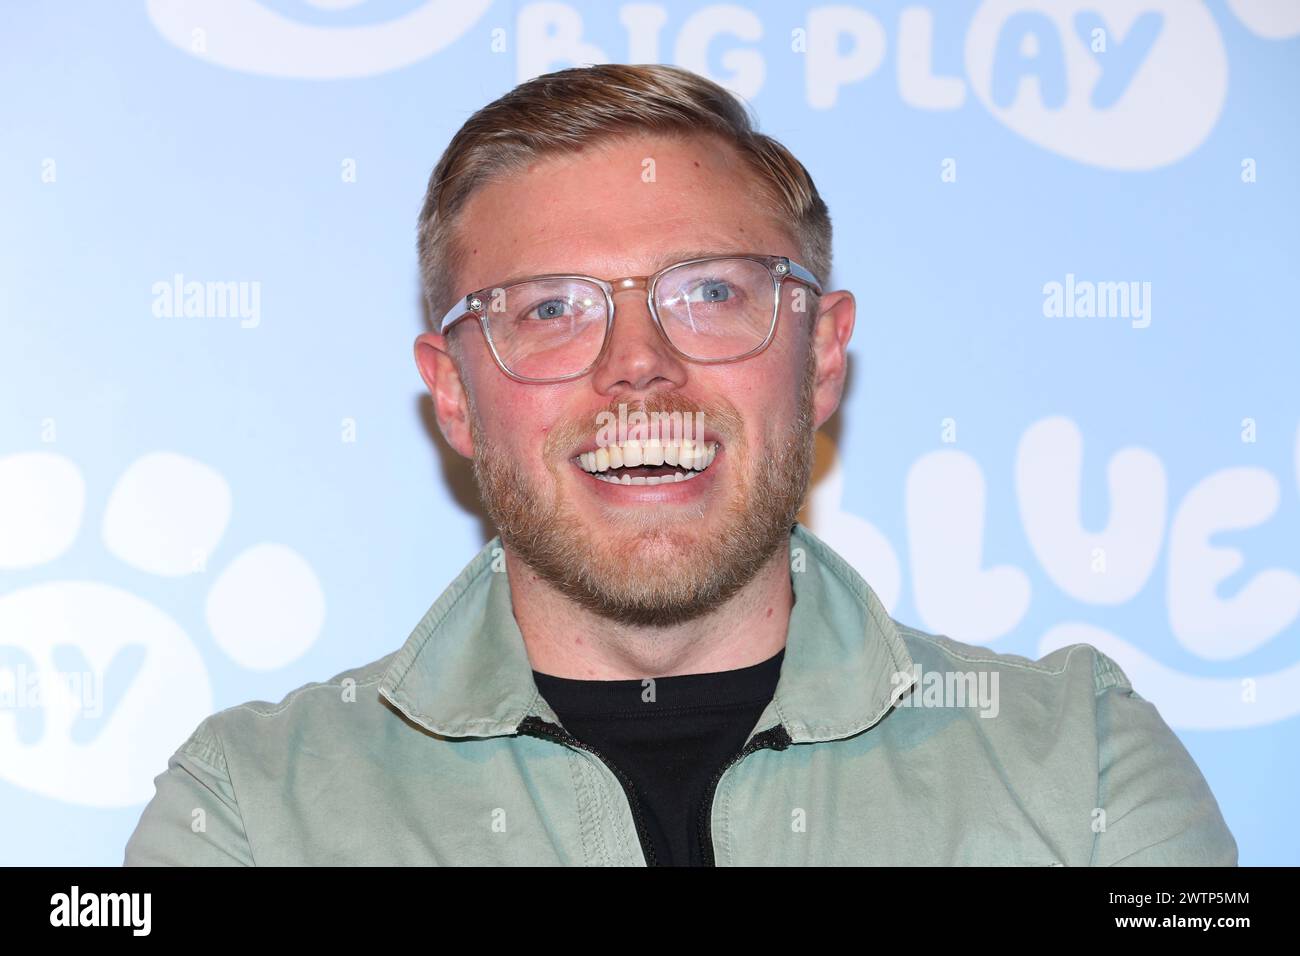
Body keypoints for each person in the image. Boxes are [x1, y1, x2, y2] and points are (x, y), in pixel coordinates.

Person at [124, 63, 1236, 866]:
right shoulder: (255, 811)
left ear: (822, 355)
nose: (639, 365)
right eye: (551, 308)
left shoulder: (1077, 760)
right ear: (454, 393)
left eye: (708, 293)